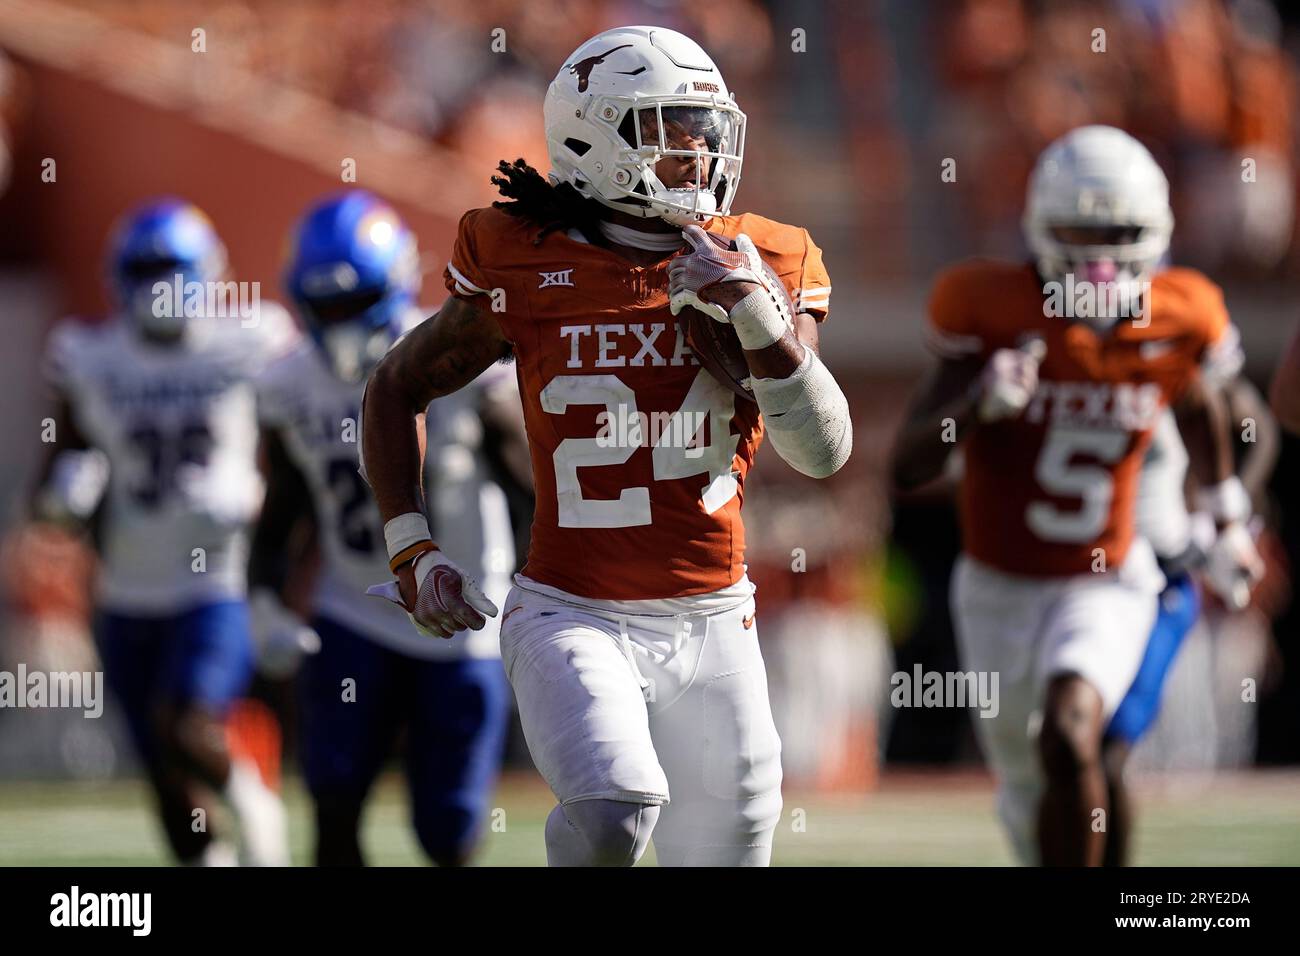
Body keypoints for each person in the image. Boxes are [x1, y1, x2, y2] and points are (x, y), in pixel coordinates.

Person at [360, 25, 851, 866]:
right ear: (594, 137)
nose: (699, 153)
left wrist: (758, 313)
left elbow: (822, 451)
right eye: (671, 128)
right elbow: (396, 387)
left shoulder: (762, 254)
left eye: (705, 130)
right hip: (571, 611)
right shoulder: (522, 255)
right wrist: (412, 549)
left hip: (715, 619)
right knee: (615, 809)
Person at [891, 126, 1263, 866]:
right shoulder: (986, 303)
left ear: (1155, 234)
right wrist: (976, 410)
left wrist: (1227, 515)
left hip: (1110, 575)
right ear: (1039, 229)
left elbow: (1212, 405)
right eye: (1079, 232)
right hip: (998, 586)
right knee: (1032, 793)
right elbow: (904, 467)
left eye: (1118, 233)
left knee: (1074, 731)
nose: (1098, 258)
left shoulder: (1177, 312)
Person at [252, 190, 522, 866]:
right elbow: (285, 506)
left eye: (354, 301)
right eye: (327, 306)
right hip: (358, 612)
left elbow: (537, 486)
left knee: (449, 831)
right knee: (334, 805)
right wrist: (263, 596)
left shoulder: (461, 358)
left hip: (465, 620)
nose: (340, 323)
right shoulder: (289, 383)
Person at [31, 199, 293, 865]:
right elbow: (58, 467)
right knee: (161, 768)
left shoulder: (248, 341)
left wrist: (274, 506)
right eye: (145, 269)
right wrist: (62, 500)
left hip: (217, 578)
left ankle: (252, 796)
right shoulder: (89, 356)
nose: (159, 285)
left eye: (171, 268)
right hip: (126, 588)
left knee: (187, 723)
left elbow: (294, 442)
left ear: (206, 272)